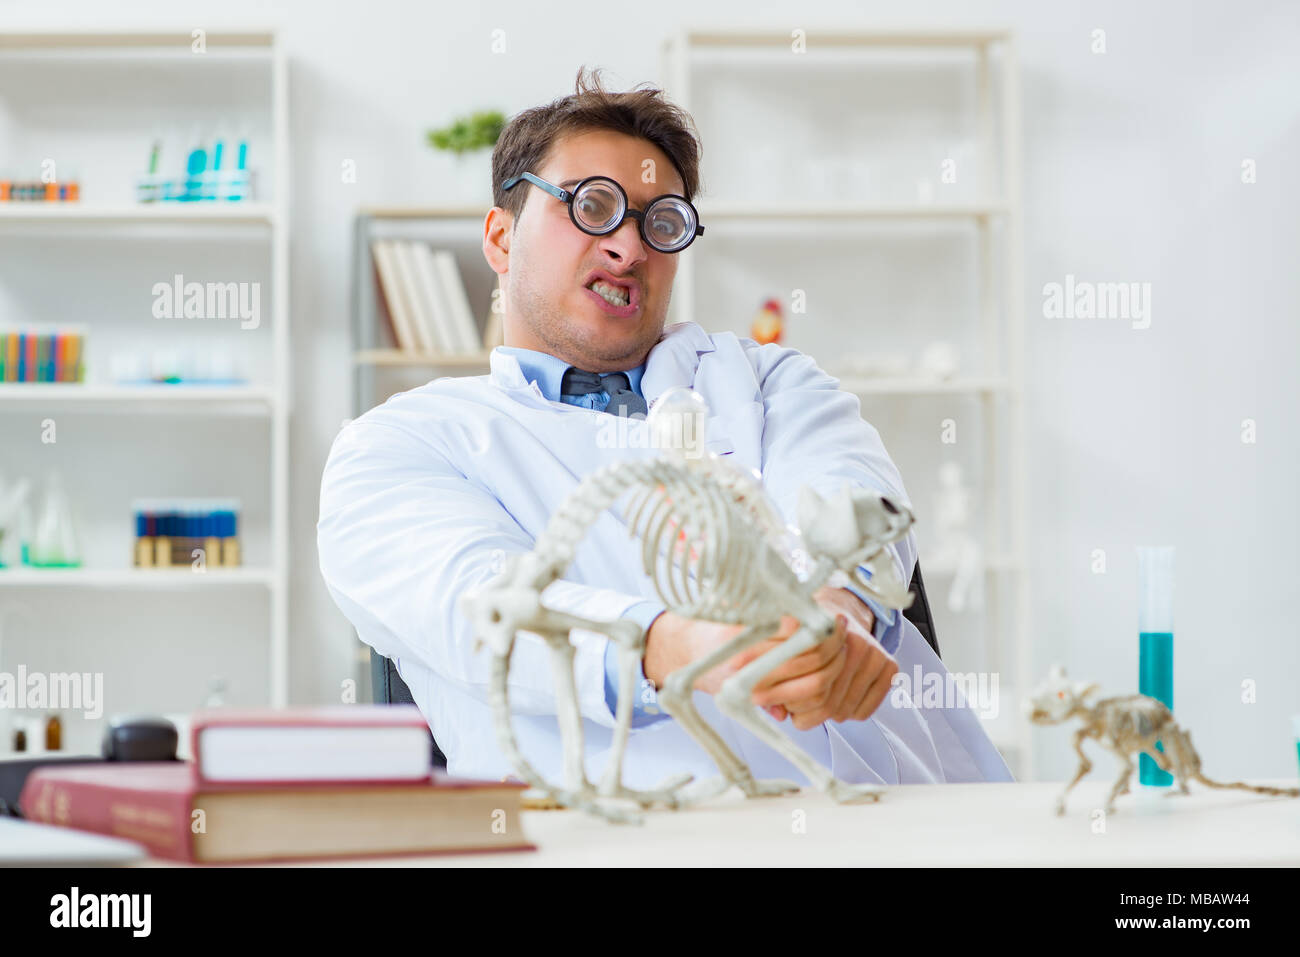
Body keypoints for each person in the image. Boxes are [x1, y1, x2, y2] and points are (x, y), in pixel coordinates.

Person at [318, 67, 1013, 789]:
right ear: (500, 236)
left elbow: (850, 501)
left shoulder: (770, 381)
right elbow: (481, 607)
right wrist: (684, 647)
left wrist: (832, 615)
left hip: (908, 820)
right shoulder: (399, 443)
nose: (630, 246)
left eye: (662, 221)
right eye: (591, 205)